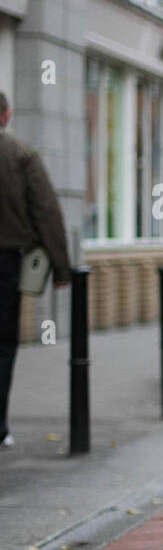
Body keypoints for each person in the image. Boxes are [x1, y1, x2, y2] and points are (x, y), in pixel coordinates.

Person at [0, 92, 71, 449]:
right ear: (7, 115)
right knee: (3, 344)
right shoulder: (20, 156)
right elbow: (46, 211)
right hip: (6, 262)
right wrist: (61, 268)